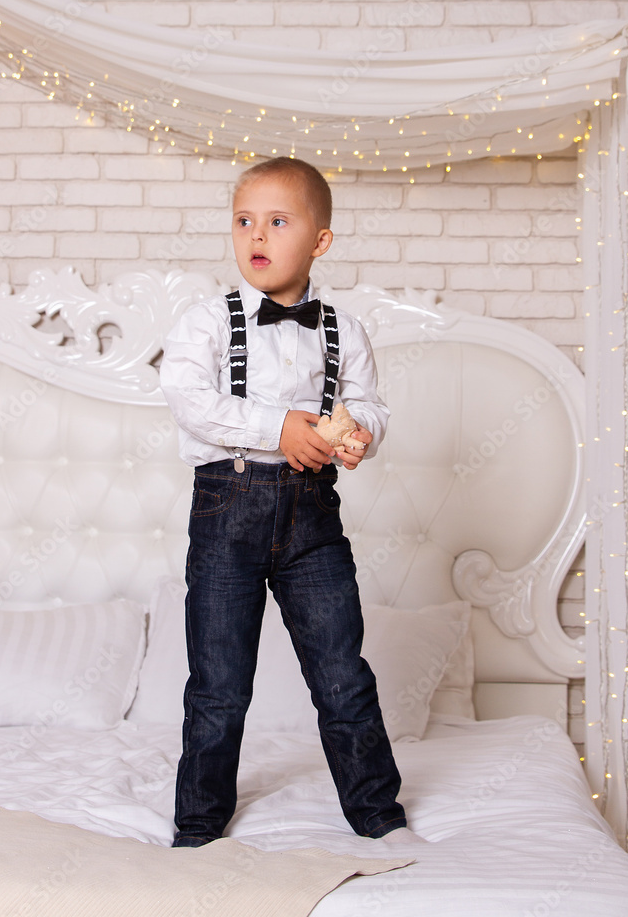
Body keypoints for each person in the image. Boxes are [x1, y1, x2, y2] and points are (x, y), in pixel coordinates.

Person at [160, 156, 420, 848]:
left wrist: (360, 431)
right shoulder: (207, 321)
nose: (257, 235)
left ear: (319, 241)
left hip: (313, 518)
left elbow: (365, 401)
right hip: (227, 511)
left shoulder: (344, 328)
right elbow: (189, 400)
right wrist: (276, 427)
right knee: (219, 684)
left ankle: (378, 816)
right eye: (245, 221)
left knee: (342, 674)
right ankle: (199, 825)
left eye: (278, 221)